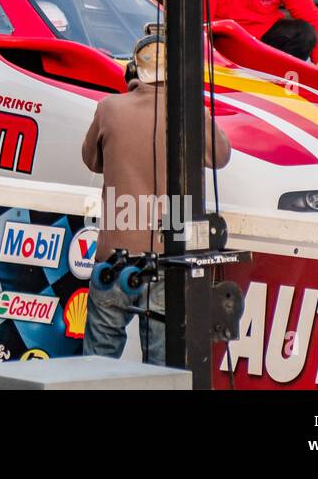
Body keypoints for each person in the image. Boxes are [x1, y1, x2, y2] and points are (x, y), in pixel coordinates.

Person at [80, 34, 232, 365]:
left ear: (134, 71)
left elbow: (91, 160)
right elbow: (221, 156)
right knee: (162, 368)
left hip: (114, 256)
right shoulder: (188, 111)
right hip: (170, 255)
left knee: (95, 366)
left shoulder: (109, 109)